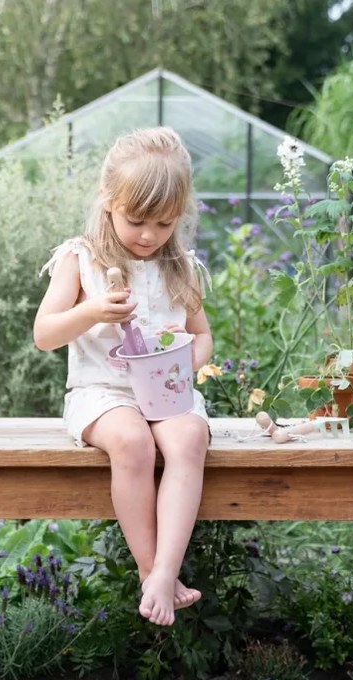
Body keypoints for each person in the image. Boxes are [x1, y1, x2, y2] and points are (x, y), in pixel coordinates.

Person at [34, 127, 212, 627]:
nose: (149, 236)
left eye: (164, 223)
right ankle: (151, 571)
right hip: (101, 393)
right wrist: (91, 312)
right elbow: (45, 334)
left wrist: (185, 363)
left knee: (190, 436)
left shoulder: (180, 267)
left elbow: (203, 337)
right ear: (108, 200)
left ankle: (166, 571)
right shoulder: (82, 259)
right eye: (136, 220)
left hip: (166, 392)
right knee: (134, 443)